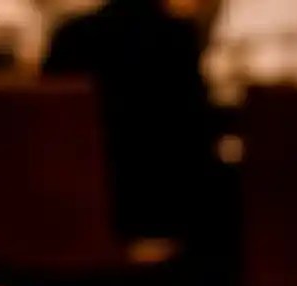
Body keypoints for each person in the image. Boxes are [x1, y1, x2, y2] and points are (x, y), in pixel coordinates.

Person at [42, 0, 217, 242]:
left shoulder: (71, 35)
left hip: (65, 218)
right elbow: (196, 137)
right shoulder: (175, 37)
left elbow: (49, 134)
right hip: (156, 219)